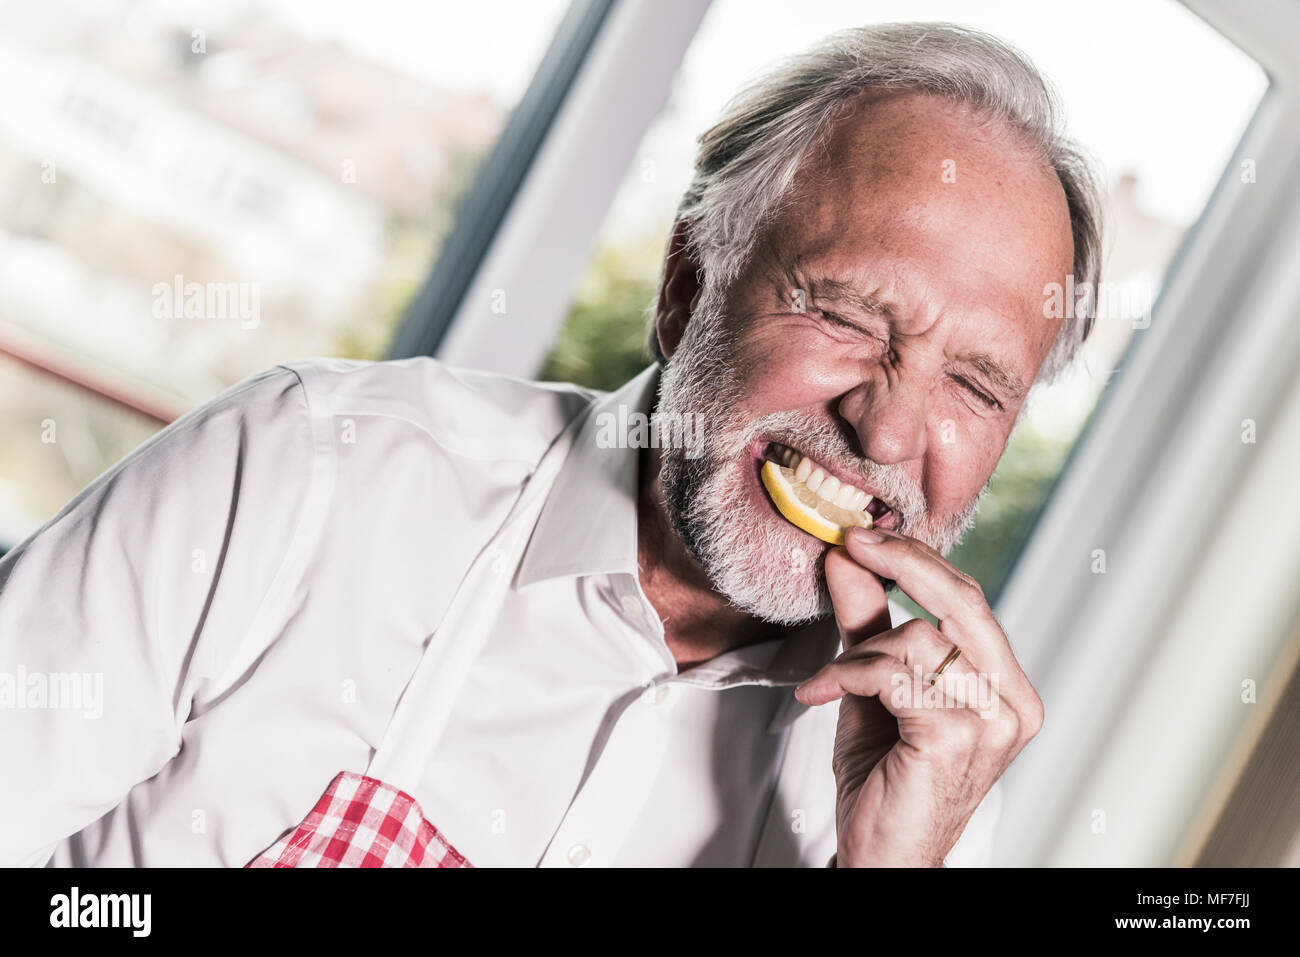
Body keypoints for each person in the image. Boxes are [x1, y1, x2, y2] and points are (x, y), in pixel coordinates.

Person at [0, 21, 1100, 868]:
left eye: (973, 383)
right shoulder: (303, 475)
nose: (889, 428)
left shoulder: (925, 779)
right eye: (849, 316)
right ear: (685, 286)